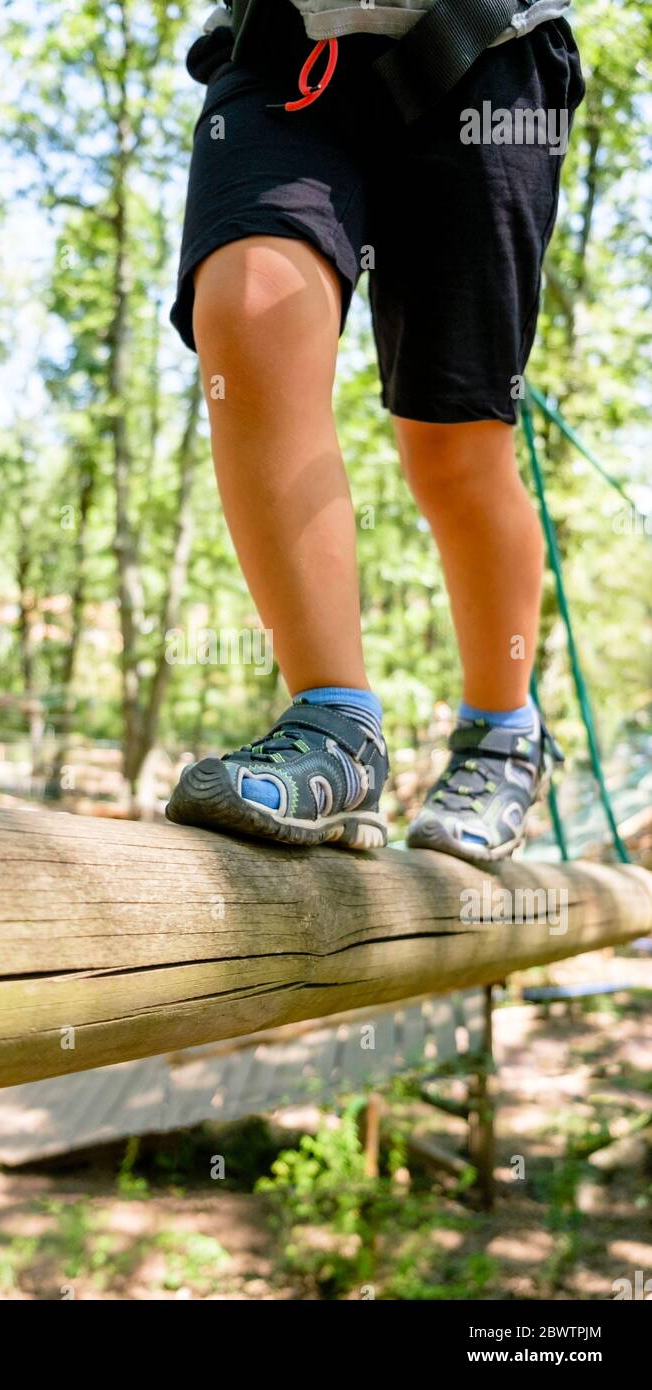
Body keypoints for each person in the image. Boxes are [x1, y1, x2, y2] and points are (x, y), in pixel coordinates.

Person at [166, 0, 584, 860]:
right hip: (277, 45)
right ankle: (335, 722)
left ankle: (502, 731)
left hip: (487, 44)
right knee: (251, 307)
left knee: (453, 444)